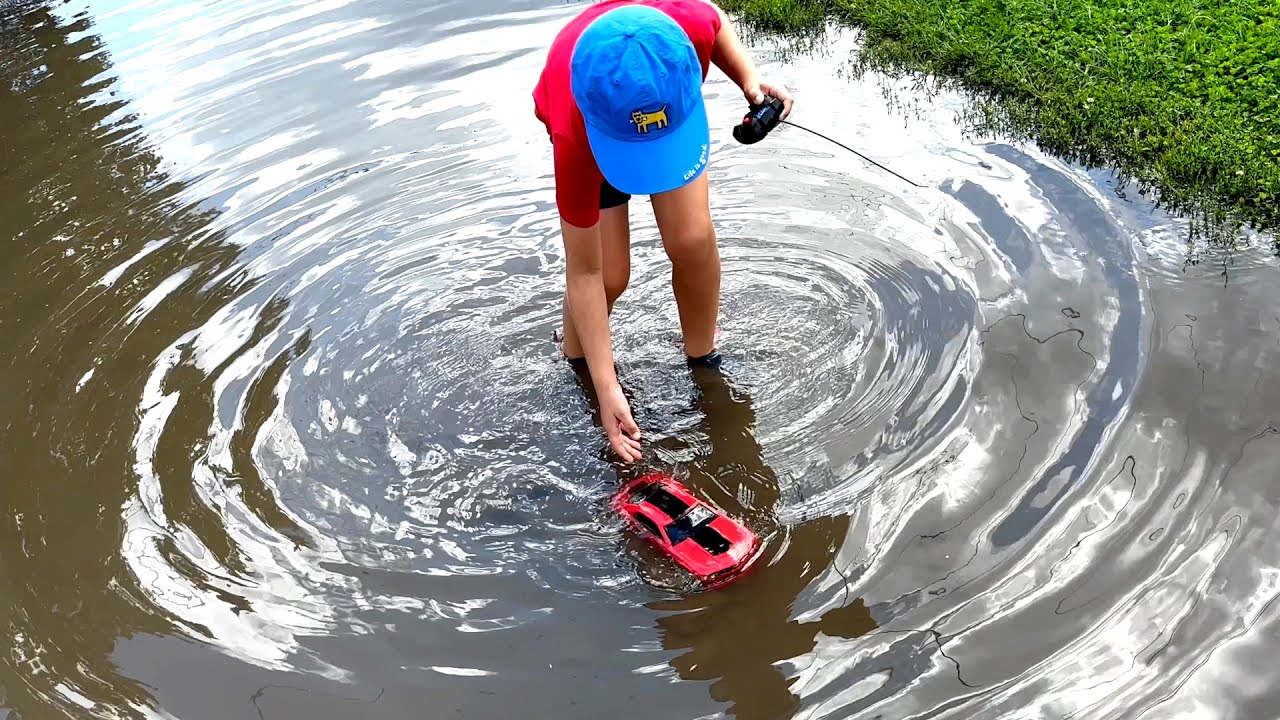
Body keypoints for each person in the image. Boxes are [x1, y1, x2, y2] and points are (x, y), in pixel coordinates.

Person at [532, 0, 792, 464]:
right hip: (599, 135)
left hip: (667, 119)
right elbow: (584, 272)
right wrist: (608, 388)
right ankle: (577, 364)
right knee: (610, 274)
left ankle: (703, 359)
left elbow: (714, 19)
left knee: (692, 239)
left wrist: (748, 80)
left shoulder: (684, 24)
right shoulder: (574, 133)